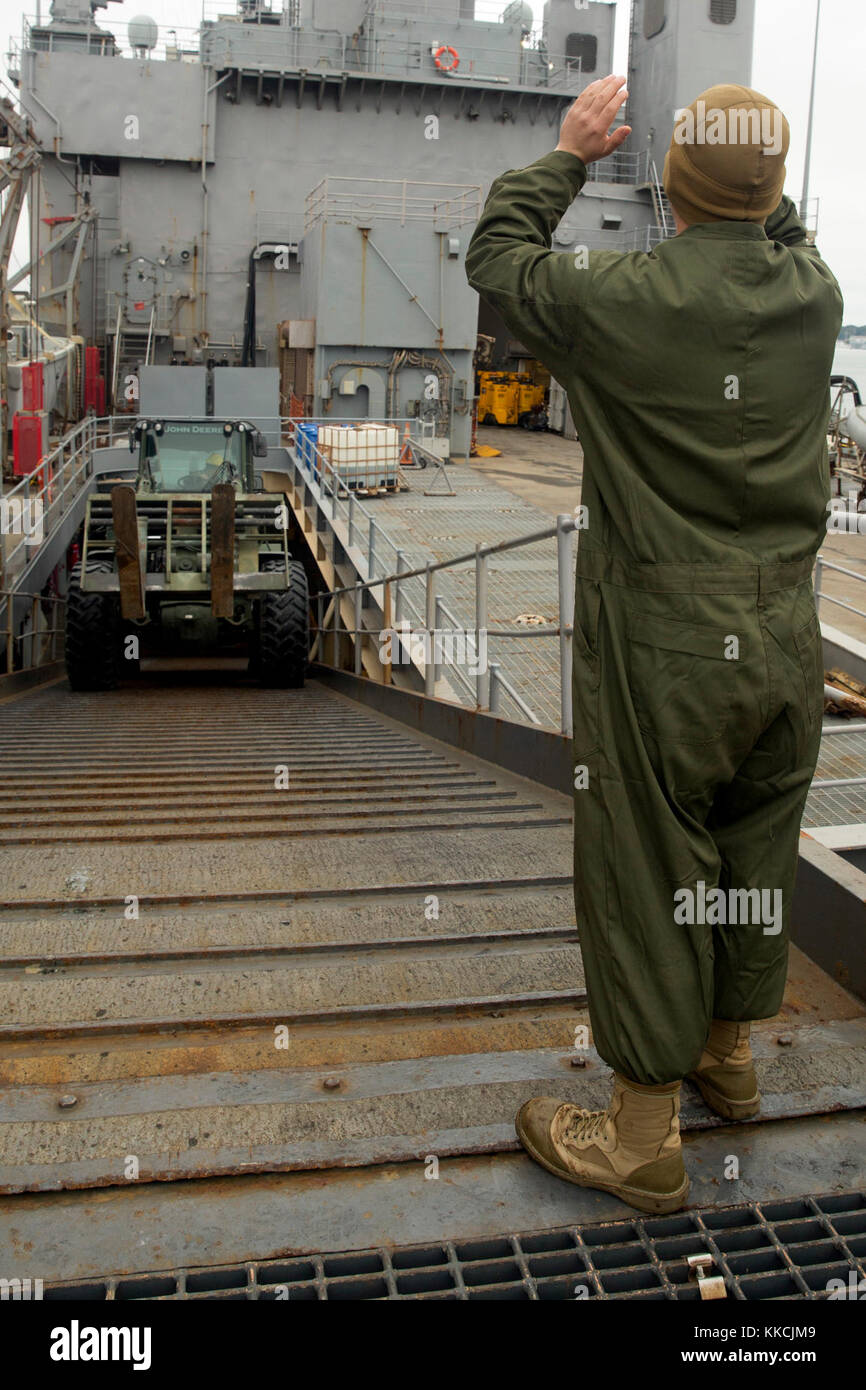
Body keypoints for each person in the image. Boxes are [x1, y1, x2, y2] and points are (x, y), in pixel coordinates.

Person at [465, 77, 843, 1213]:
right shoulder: (815, 296)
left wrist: (569, 154)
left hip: (661, 645)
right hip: (783, 635)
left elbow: (496, 255)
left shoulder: (617, 299)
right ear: (771, 191)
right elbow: (770, 221)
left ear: (670, 190)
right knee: (749, 850)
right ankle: (728, 1057)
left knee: (647, 861)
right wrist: (743, 166)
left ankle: (637, 1137)